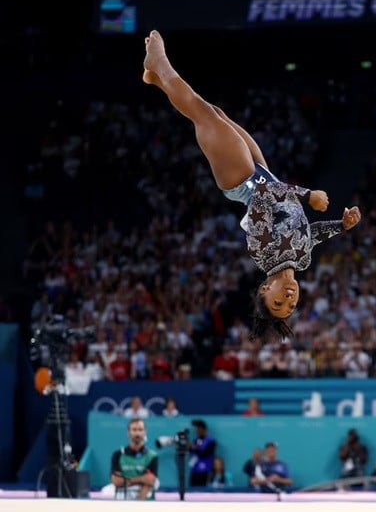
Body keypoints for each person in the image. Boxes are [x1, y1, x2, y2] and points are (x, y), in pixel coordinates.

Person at [142, 30, 361, 342]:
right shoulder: (302, 260)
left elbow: (262, 195)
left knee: (202, 115)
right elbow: (311, 235)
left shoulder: (263, 252)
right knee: (216, 113)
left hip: (242, 181)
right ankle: (156, 79)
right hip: (262, 172)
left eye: (278, 302)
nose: (289, 297)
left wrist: (308, 195)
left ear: (264, 288)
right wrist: (342, 225)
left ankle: (160, 63)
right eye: (292, 304)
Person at [110, 417, 159, 500]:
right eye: (134, 430)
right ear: (128, 432)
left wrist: (136, 505)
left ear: (144, 432)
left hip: (144, 503)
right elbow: (117, 481)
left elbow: (150, 481)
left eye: (140, 430)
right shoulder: (118, 454)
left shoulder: (152, 456)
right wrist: (141, 479)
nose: (137, 433)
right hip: (121, 502)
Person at [188, 419, 216, 486]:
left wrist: (194, 447)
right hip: (195, 470)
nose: (197, 431)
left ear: (204, 429)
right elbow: (191, 451)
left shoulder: (211, 441)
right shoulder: (196, 440)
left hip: (205, 470)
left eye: (198, 428)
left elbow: (205, 454)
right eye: (196, 428)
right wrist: (189, 446)